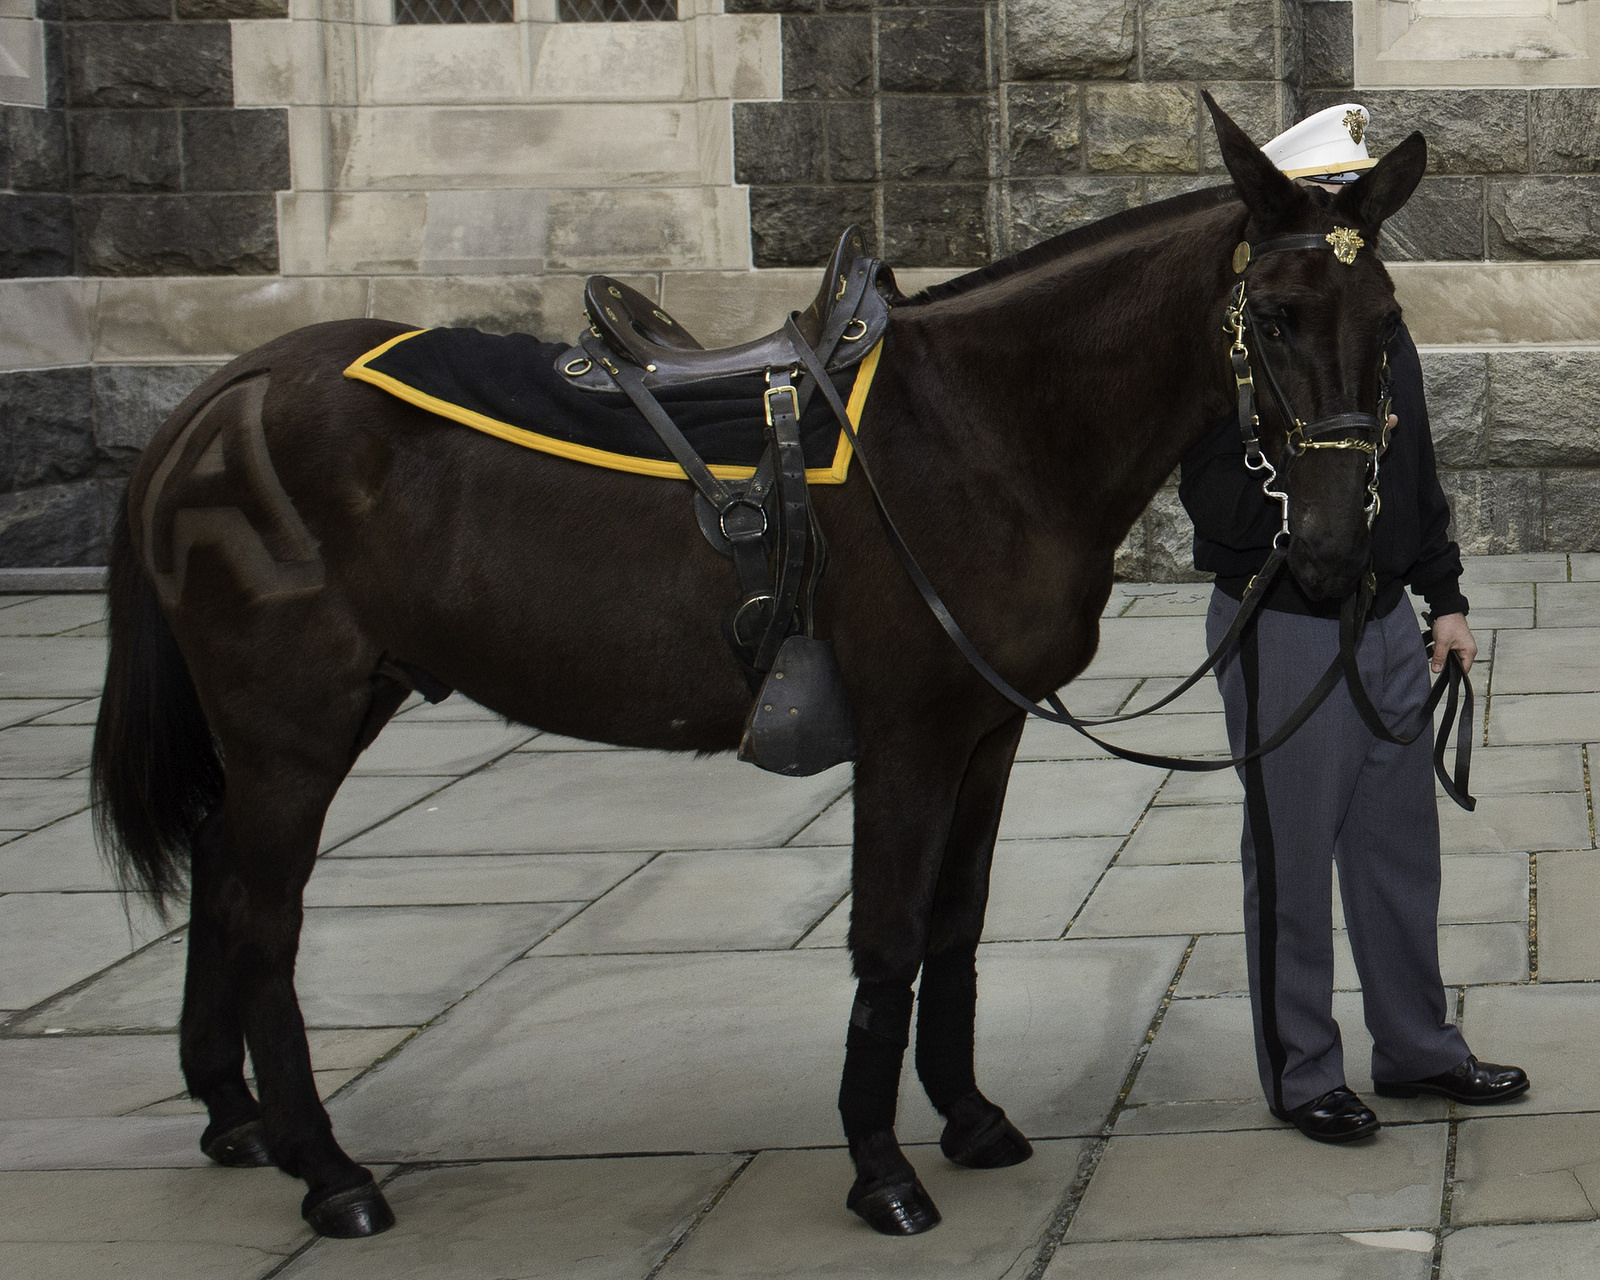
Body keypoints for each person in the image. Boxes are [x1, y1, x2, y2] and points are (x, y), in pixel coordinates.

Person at [1178, 104, 1529, 1144]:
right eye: (1328, 197)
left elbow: (1410, 461)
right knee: (1291, 856)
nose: (1345, 220)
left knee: (1396, 848)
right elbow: (1211, 494)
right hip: (1280, 620)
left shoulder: (1369, 311)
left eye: (1353, 201)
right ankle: (1301, 1070)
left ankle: (1417, 1045)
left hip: (1382, 620)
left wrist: (1446, 596)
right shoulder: (1244, 331)